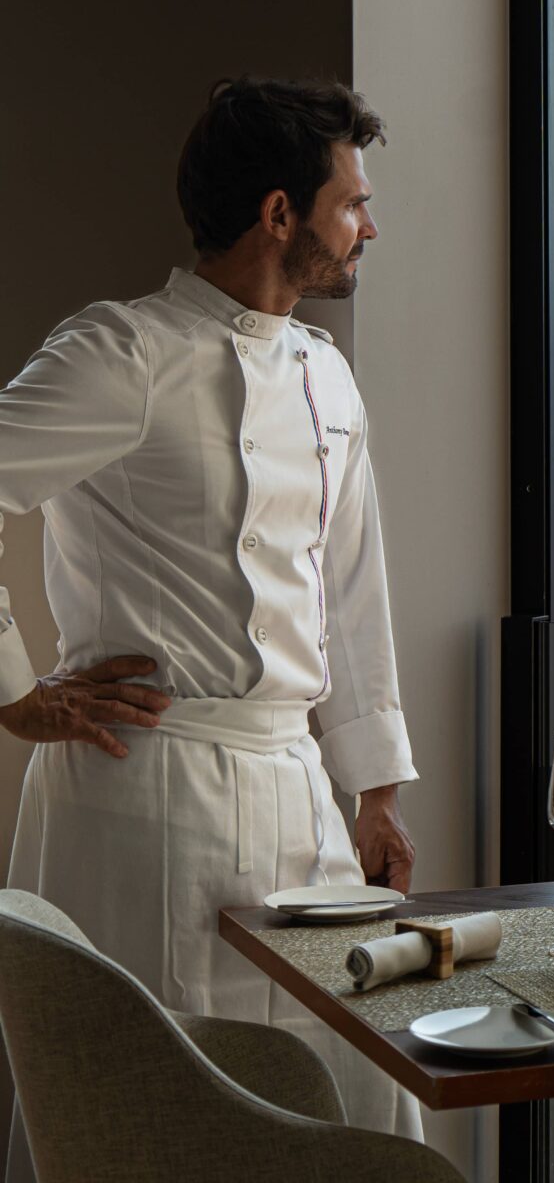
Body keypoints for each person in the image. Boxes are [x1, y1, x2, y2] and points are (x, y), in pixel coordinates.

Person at [0, 77, 423, 1170]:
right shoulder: (122, 354)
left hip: (299, 794)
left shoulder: (328, 376)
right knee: (142, 1113)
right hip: (143, 790)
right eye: (352, 203)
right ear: (280, 214)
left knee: (348, 1087)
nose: (367, 226)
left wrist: (371, 786)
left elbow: (349, 586)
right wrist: (15, 690)